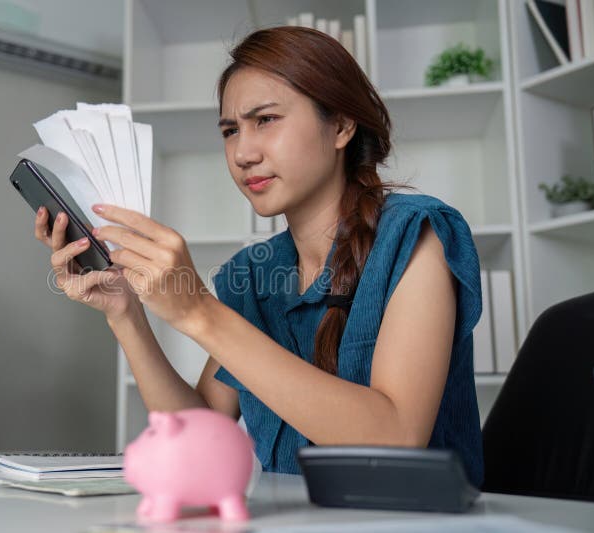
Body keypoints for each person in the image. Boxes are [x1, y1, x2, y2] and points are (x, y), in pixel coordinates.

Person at [33, 26, 484, 487]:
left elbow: (396, 439)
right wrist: (126, 314)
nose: (243, 153)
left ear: (341, 126)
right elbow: (198, 444)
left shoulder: (417, 234)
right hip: (292, 518)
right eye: (230, 131)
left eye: (266, 119)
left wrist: (199, 312)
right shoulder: (252, 273)